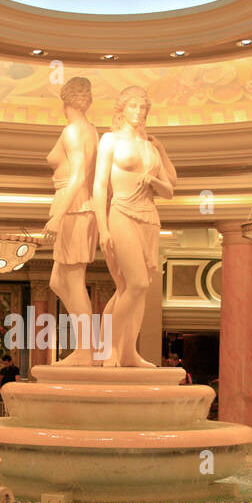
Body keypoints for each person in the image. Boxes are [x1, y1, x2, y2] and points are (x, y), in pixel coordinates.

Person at [92, 85, 176, 368]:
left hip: (149, 218)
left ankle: (128, 352)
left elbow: (169, 191)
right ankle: (109, 350)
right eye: (133, 106)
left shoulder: (150, 146)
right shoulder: (110, 141)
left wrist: (154, 181)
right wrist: (102, 229)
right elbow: (99, 186)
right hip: (121, 213)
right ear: (122, 109)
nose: (138, 112)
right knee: (136, 283)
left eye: (143, 107)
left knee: (134, 288)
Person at [45, 76, 100, 366]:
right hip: (76, 205)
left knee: (75, 280)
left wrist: (58, 216)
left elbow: (79, 175)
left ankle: (86, 351)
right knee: (57, 281)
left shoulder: (74, 131)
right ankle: (85, 347)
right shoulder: (89, 130)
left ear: (65, 98)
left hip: (74, 207)